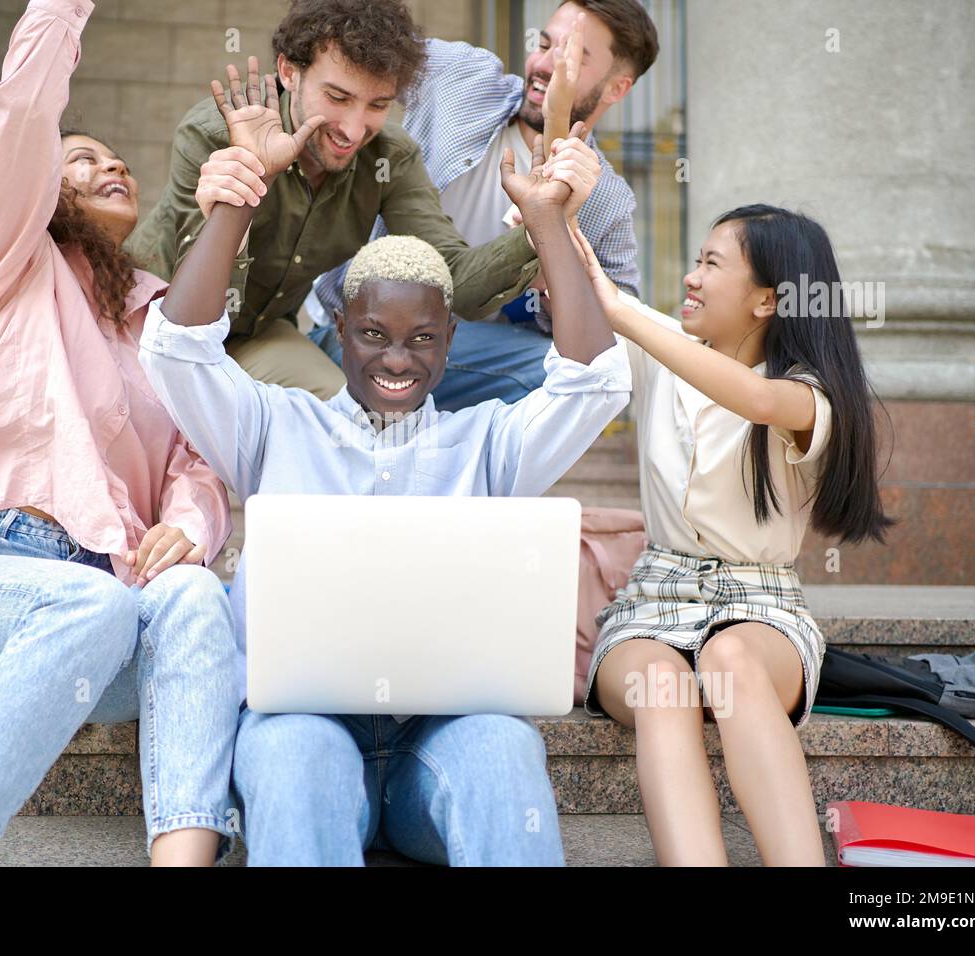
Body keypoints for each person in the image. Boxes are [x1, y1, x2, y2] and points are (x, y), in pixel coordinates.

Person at [135, 62, 631, 865]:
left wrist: (546, 223)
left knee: (504, 752)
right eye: (373, 335)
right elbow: (177, 351)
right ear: (339, 322)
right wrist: (238, 199)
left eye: (423, 339)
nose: (397, 358)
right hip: (305, 726)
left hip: (445, 736)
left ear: (448, 342)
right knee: (294, 761)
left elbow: (597, 380)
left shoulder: (488, 446)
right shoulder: (274, 426)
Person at [0, 0, 239, 868]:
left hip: (105, 616)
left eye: (116, 157)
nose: (111, 162)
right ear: (46, 187)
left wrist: (188, 530)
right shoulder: (11, 266)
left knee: (193, 596)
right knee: (94, 598)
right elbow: (25, 113)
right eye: (83, 160)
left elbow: (200, 461)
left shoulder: (160, 322)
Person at [571, 205, 893, 866]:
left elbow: (758, 401)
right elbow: (576, 302)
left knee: (730, 663)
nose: (690, 278)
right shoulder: (661, 349)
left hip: (762, 608)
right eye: (696, 260)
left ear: (768, 299)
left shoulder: (808, 397)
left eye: (711, 265)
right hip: (651, 603)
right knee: (663, 689)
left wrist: (621, 308)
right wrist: (555, 205)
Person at [127, 0, 600, 401]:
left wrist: (540, 219)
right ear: (289, 71)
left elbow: (458, 282)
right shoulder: (218, 132)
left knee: (342, 417)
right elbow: (198, 317)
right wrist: (246, 194)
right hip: (150, 327)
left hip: (260, 333)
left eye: (377, 105)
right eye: (337, 97)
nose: (354, 130)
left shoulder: (388, 158)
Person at [310, 0, 659, 410]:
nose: (545, 65)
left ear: (618, 88)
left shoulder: (607, 201)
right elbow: (365, 46)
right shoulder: (464, 76)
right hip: (351, 329)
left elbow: (617, 324)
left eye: (569, 59)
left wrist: (553, 272)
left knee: (585, 372)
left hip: (467, 356)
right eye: (544, 45)